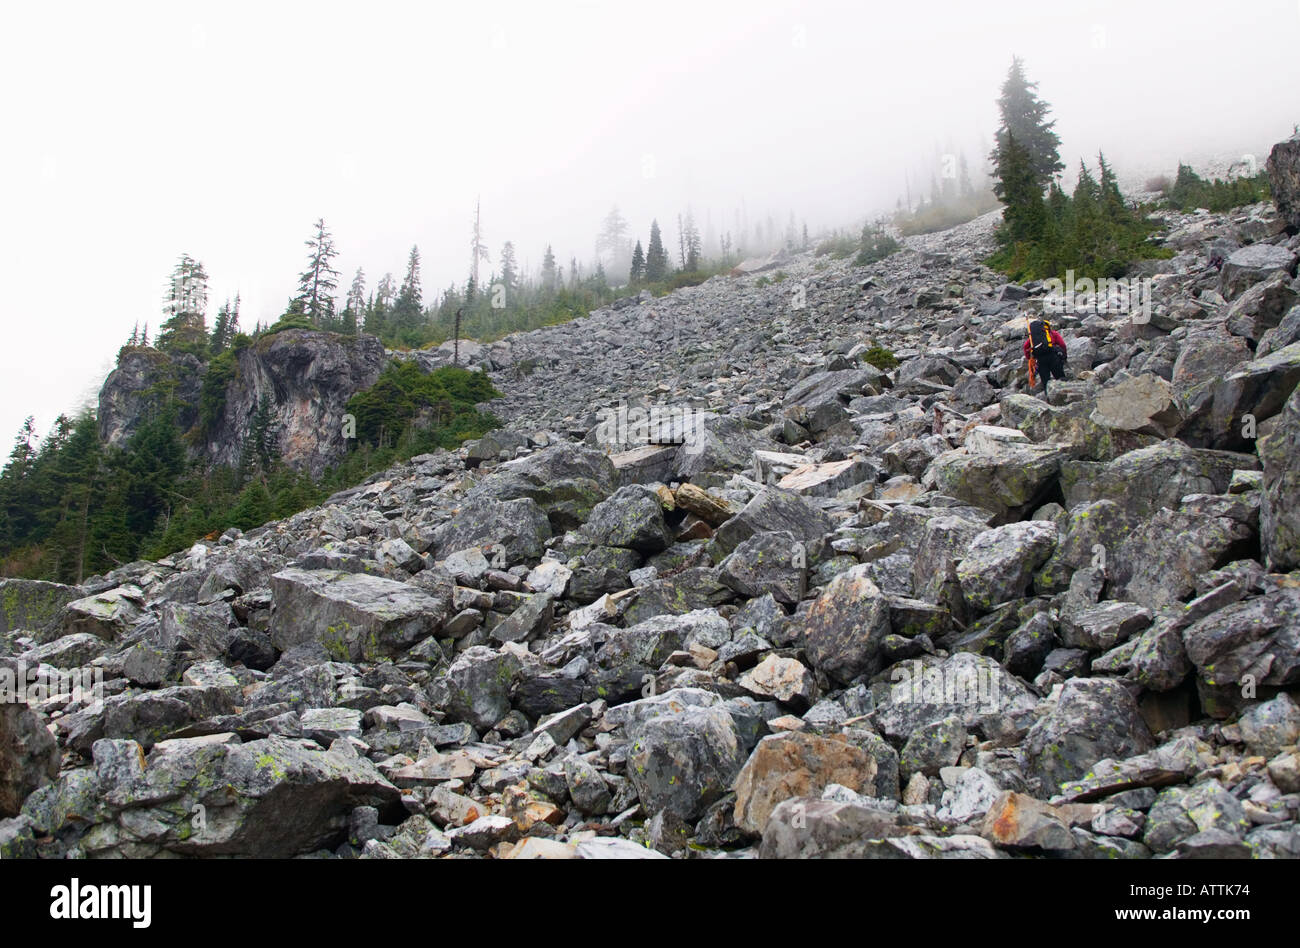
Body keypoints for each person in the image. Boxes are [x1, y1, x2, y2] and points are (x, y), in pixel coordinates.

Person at [1022, 318, 1068, 395]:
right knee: (1060, 377)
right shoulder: (1053, 334)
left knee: (1045, 381)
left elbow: (1025, 347)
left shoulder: (1033, 338)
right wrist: (1064, 356)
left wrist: (1028, 358)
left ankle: (1048, 398)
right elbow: (1062, 344)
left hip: (1040, 359)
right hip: (1053, 356)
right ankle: (1065, 394)